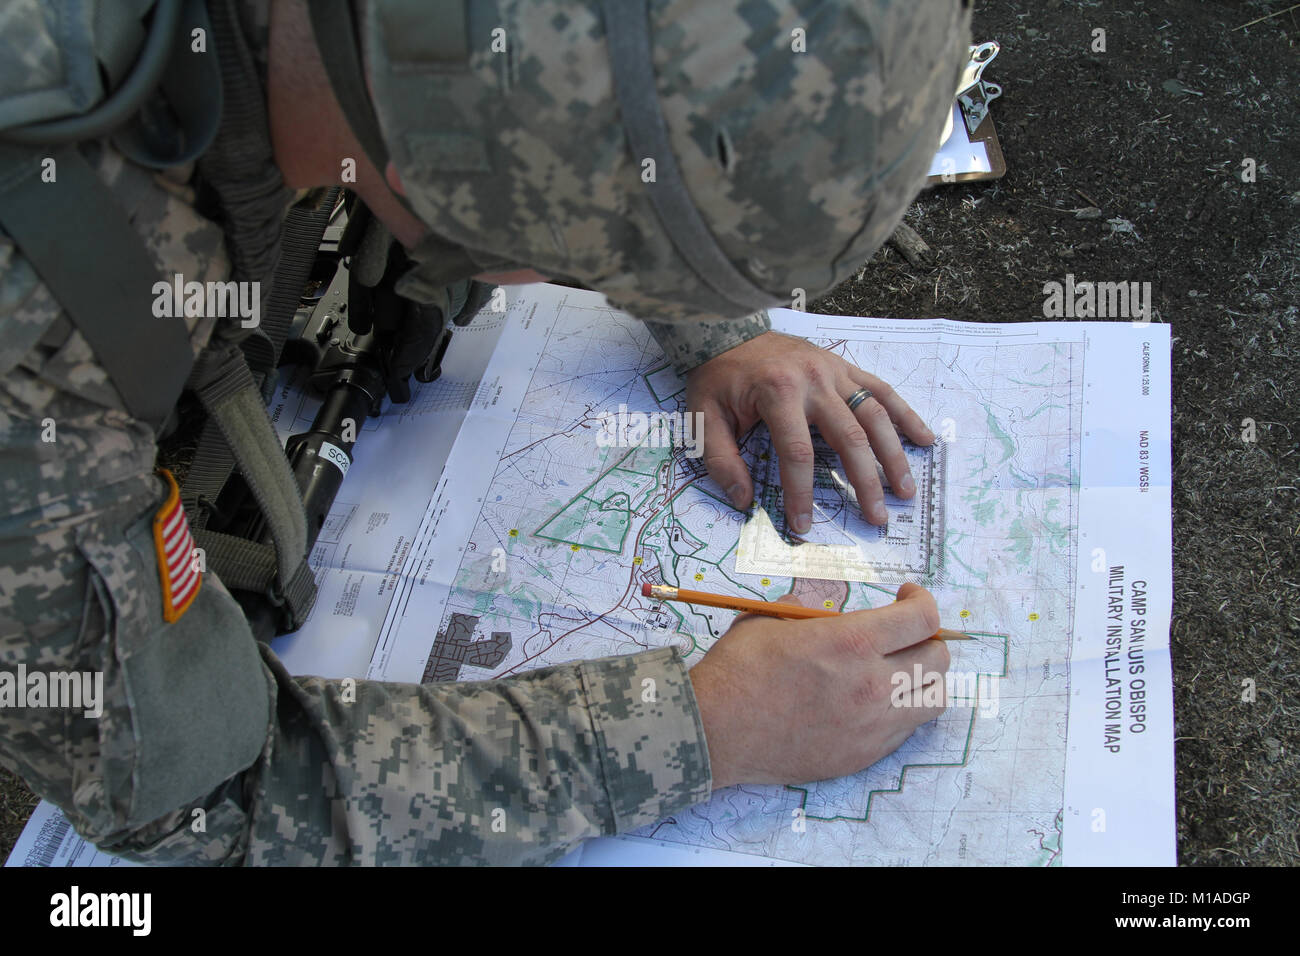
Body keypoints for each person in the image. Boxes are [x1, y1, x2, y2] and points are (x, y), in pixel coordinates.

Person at [0, 0, 970, 864]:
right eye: (580, 255)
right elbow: (199, 790)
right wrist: (711, 727)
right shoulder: (36, 308)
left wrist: (721, 331)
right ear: (428, 182)